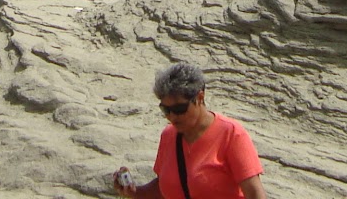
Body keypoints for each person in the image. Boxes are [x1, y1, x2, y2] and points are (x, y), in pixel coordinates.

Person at [113, 62, 267, 199]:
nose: (172, 116)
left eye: (179, 108)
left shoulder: (232, 134)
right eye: (165, 109)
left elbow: (254, 193)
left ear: (200, 98)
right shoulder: (169, 135)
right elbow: (168, 187)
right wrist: (135, 192)